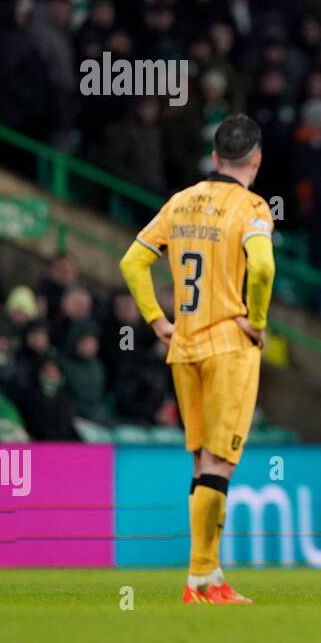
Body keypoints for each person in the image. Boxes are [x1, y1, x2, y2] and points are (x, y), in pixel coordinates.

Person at [119, 115, 276, 605]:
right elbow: (264, 266)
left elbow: (133, 262)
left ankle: (205, 578)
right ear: (256, 160)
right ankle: (200, 579)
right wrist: (258, 319)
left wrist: (155, 321)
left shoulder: (181, 201)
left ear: (214, 158)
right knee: (220, 463)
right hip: (229, 344)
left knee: (201, 463)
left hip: (183, 345)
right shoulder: (251, 207)